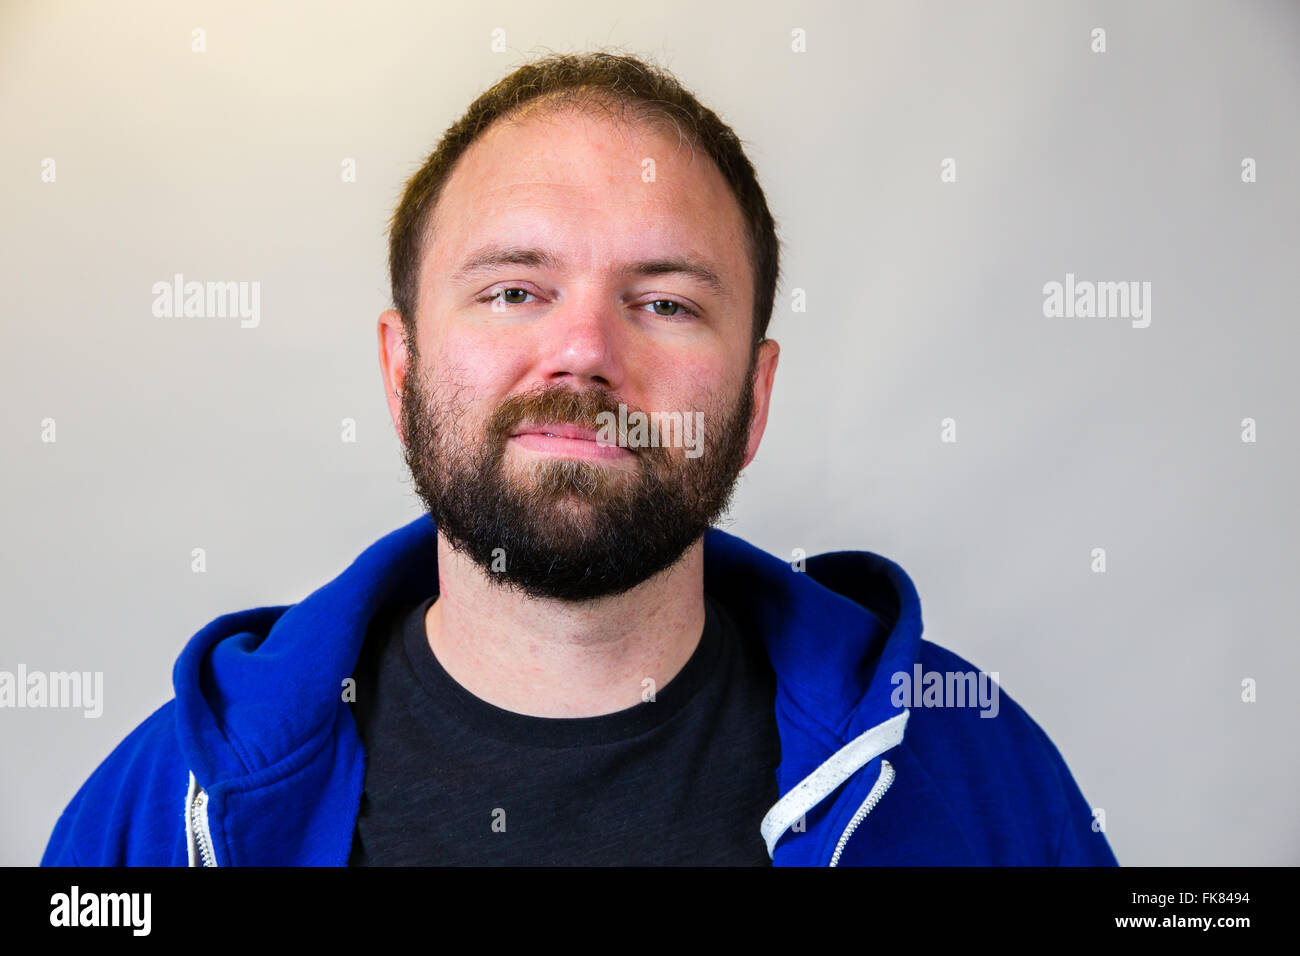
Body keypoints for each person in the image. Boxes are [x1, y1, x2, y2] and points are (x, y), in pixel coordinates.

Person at [42, 50, 1118, 867]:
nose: (584, 353)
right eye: (514, 289)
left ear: (753, 399)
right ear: (400, 367)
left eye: (663, 302)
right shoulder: (163, 809)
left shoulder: (974, 775)